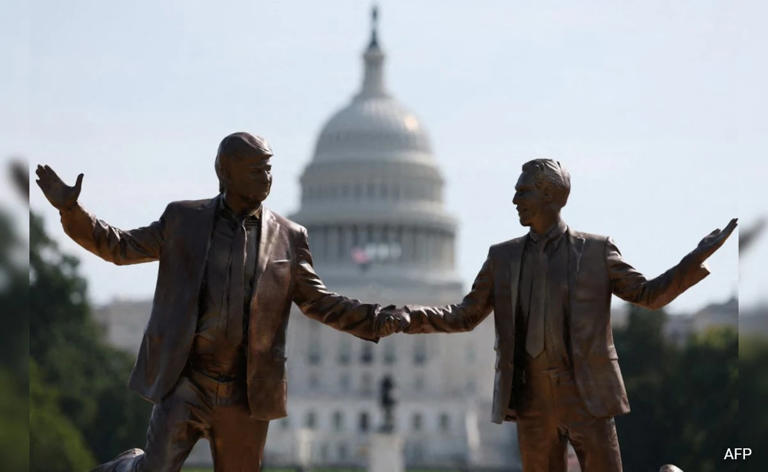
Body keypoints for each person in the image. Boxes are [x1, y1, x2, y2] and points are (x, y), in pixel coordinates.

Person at [35, 132, 406, 472]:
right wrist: (72, 211)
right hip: (188, 378)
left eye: (269, 169)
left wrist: (390, 318)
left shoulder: (289, 238)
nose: (267, 178)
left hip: (243, 392)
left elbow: (324, 303)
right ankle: (126, 467)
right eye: (257, 170)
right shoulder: (184, 220)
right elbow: (119, 246)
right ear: (226, 173)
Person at [397, 159, 736, 472]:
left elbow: (648, 295)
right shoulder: (503, 258)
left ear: (550, 195)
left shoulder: (596, 252)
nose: (515, 201)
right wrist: (403, 317)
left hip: (586, 396)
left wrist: (694, 260)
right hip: (532, 401)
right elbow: (463, 316)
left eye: (522, 192)